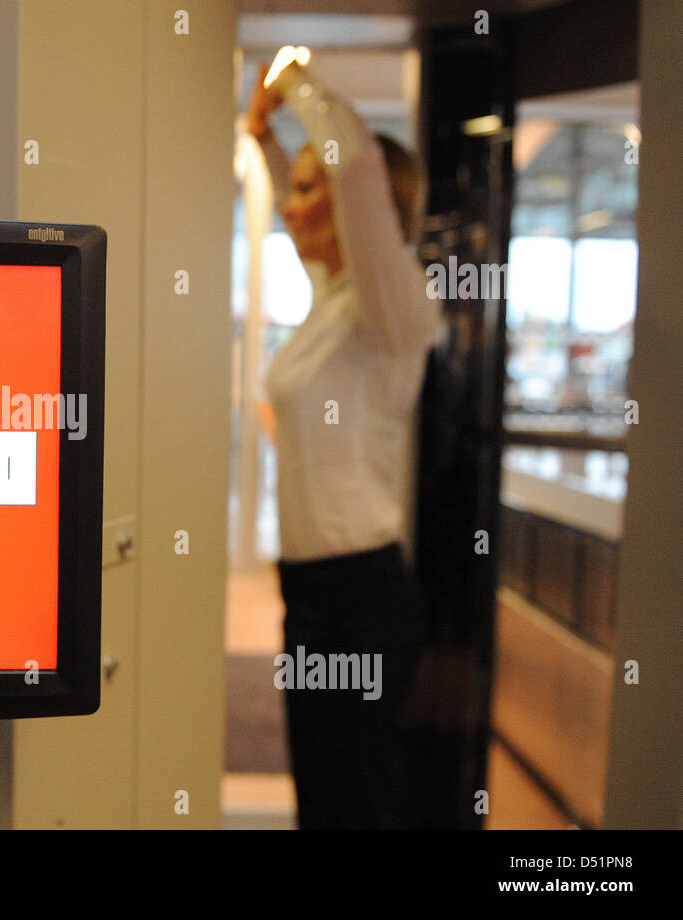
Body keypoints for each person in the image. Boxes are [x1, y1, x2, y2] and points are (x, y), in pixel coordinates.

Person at [248, 51, 440, 828]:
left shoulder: (391, 306)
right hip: (312, 597)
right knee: (324, 806)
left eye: (304, 191)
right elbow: (313, 204)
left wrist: (291, 76)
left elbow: (355, 165)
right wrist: (261, 136)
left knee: (356, 807)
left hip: (360, 598)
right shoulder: (331, 309)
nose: (288, 212)